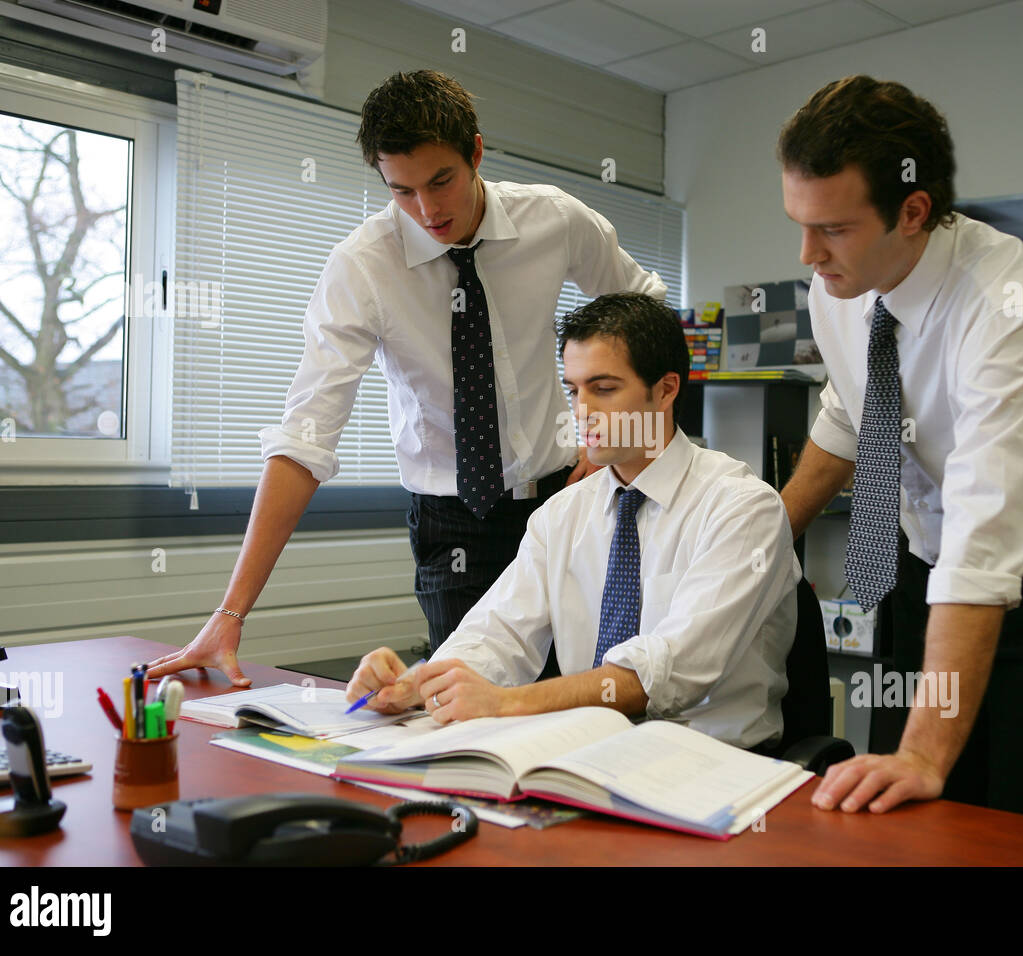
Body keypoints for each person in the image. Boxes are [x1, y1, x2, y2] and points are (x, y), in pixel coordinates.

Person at [146, 70, 666, 686]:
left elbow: (647, 311)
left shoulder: (552, 220)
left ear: (474, 152)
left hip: (565, 492)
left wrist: (610, 440)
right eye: (403, 191)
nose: (428, 210)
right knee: (464, 702)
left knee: (585, 684)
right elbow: (305, 439)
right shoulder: (363, 267)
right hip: (453, 519)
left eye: (441, 180)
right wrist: (230, 614)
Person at [776, 76, 1023, 826]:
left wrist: (927, 752)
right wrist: (767, 541)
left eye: (832, 228)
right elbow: (850, 411)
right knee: (910, 820)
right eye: (800, 224)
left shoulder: (1007, 303)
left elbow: (987, 530)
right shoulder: (835, 288)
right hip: (923, 570)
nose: (808, 253)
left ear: (913, 211)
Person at [345, 292, 799, 750]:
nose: (582, 412)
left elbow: (666, 673)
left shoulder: (743, 509)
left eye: (603, 389)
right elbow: (496, 635)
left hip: (715, 765)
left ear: (665, 390)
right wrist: (415, 686)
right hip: (590, 753)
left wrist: (506, 703)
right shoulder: (561, 515)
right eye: (573, 390)